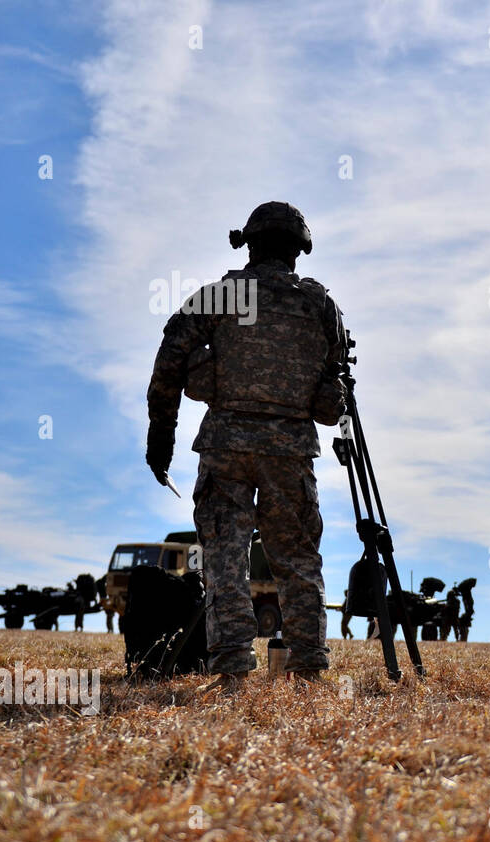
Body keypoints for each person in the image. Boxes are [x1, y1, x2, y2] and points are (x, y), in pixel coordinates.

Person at [145, 201, 348, 693]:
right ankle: (309, 670)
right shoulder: (319, 305)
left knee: (224, 558)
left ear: (249, 243)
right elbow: (336, 385)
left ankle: (233, 668)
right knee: (298, 560)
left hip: (226, 446)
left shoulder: (219, 296)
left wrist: (161, 440)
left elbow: (169, 363)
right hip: (291, 451)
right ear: (299, 250)